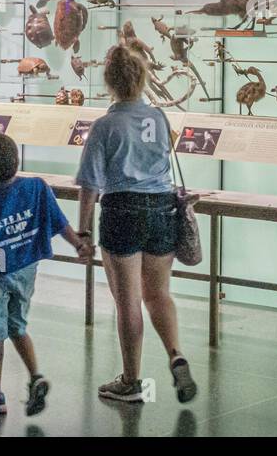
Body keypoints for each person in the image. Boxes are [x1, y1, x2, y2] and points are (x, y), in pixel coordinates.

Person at [76, 45, 197, 405]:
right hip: (161, 209)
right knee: (158, 294)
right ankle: (176, 354)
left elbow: (90, 185)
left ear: (109, 82)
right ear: (143, 78)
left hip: (122, 210)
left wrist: (82, 233)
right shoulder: (158, 118)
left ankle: (131, 381)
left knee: (127, 300)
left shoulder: (104, 126)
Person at [0, 133, 87, 415]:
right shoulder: (37, 187)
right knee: (18, 326)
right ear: (16, 160)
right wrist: (78, 244)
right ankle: (35, 375)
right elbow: (60, 223)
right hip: (26, 270)